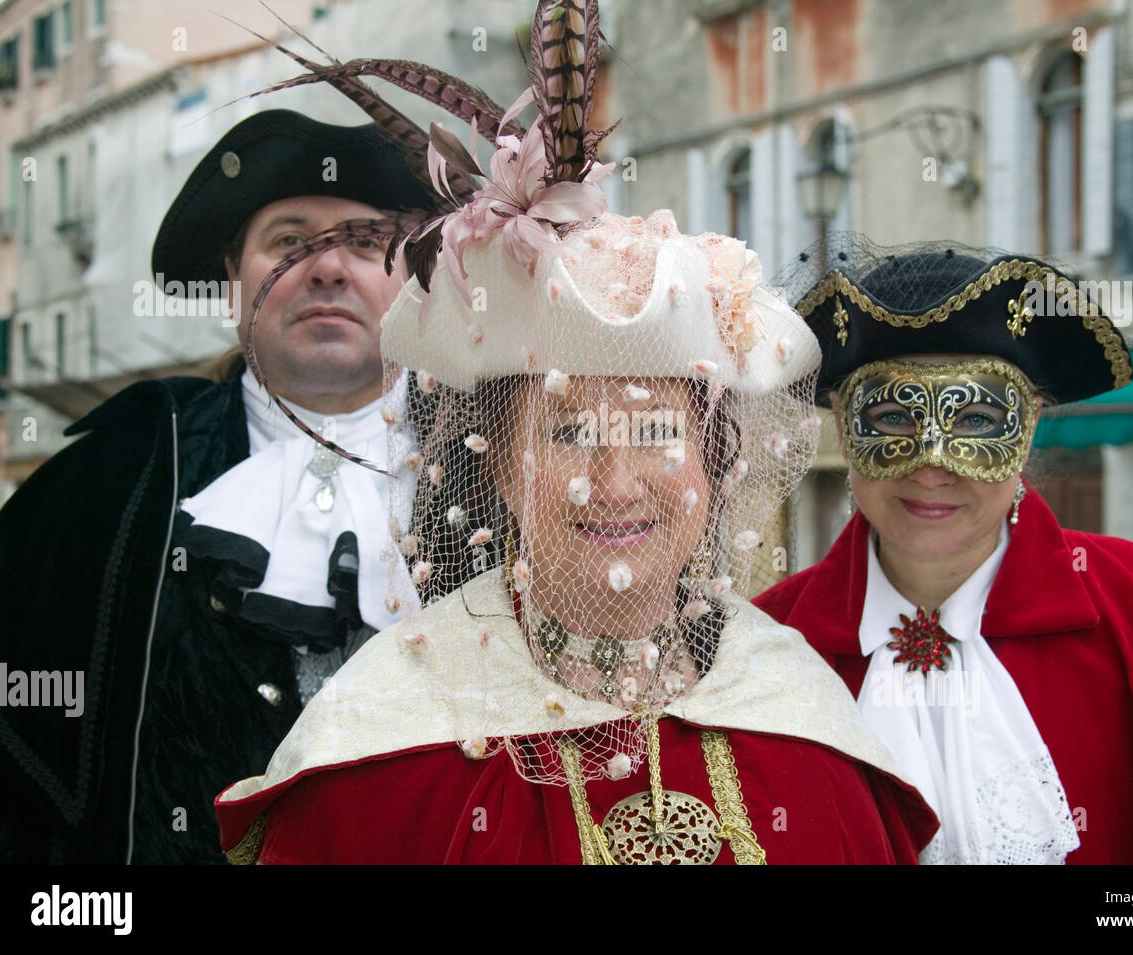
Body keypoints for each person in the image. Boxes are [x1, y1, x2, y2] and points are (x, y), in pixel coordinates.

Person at [213, 5, 938, 864]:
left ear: (715, 467)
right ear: (502, 466)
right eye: (566, 433)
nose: (618, 481)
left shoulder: (801, 714)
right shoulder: (381, 743)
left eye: (661, 430)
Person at [0, 108, 442, 863]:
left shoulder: (500, 469)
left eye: (365, 241)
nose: (327, 267)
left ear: (412, 274)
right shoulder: (119, 472)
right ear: (234, 278)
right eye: (289, 242)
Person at [754, 235, 1133, 864]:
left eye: (977, 421)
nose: (931, 466)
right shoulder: (769, 650)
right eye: (892, 417)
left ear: (1027, 425)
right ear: (843, 420)